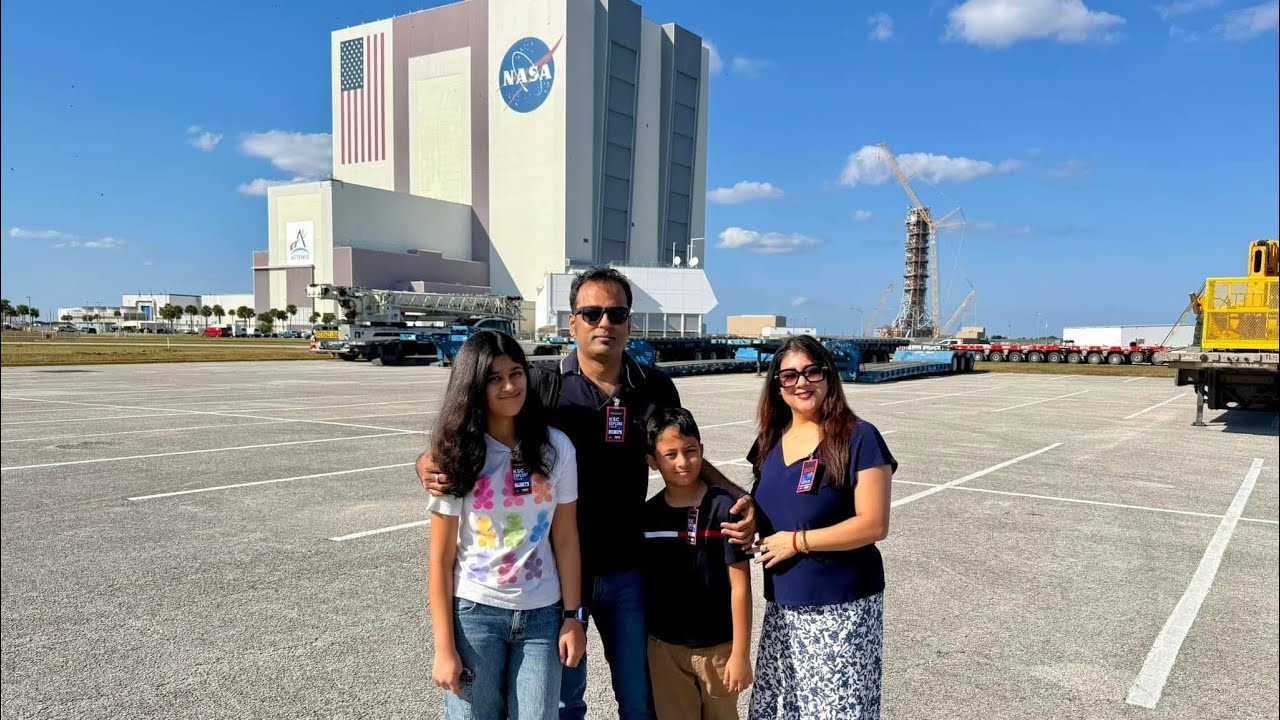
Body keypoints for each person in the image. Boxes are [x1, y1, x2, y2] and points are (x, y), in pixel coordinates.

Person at [419, 267, 756, 720]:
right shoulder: (543, 384)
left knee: (639, 700)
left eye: (616, 313)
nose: (605, 323)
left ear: (629, 323)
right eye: (592, 312)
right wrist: (425, 461)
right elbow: (475, 425)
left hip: (628, 568)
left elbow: (681, 456)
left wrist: (736, 496)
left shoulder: (654, 387)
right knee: (563, 701)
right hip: (556, 576)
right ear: (572, 322)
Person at [426, 330, 586, 720]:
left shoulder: (556, 448)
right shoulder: (456, 454)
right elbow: (440, 558)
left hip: (542, 617)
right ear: (473, 385)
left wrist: (572, 617)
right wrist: (444, 647)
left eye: (516, 373)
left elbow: (565, 539)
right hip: (475, 614)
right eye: (494, 378)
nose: (510, 386)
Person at [745, 334, 896, 720]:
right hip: (783, 606)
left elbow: (874, 524)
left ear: (830, 377)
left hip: (840, 608)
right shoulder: (769, 442)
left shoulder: (859, 437)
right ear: (776, 386)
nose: (801, 382)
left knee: (837, 710)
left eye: (812, 372)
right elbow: (763, 508)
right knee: (779, 710)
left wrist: (799, 541)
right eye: (789, 375)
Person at [641, 408, 753, 720]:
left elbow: (740, 587)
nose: (682, 462)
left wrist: (741, 654)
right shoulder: (648, 516)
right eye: (670, 454)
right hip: (665, 650)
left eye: (690, 451)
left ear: (702, 451)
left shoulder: (724, 509)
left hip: (718, 650)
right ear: (653, 461)